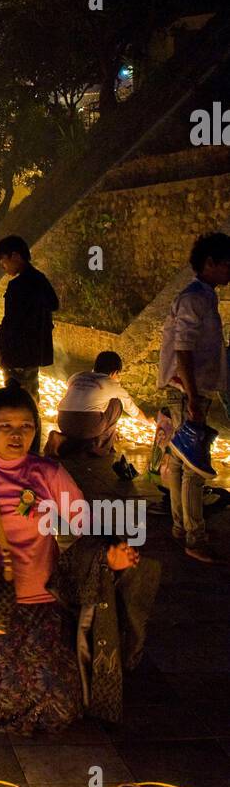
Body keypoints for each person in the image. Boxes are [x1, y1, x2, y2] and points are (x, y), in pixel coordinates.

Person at [0, 383, 141, 734]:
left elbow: (84, 520)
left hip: (41, 596)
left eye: (26, 427)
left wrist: (111, 553)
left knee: (60, 702)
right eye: (5, 427)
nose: (17, 436)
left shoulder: (47, 473)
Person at [158, 231, 230, 561]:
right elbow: (183, 350)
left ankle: (180, 526)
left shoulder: (203, 296)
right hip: (190, 391)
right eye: (227, 264)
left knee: (179, 461)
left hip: (189, 389)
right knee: (195, 467)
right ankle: (194, 537)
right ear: (210, 263)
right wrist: (191, 397)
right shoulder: (194, 299)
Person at [0, 235, 59, 451]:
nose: (4, 267)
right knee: (31, 401)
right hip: (32, 354)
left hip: (17, 353)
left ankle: (23, 449)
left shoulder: (19, 286)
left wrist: (0, 349)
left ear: (15, 255)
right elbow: (54, 304)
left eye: (4, 262)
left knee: (18, 402)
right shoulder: (39, 280)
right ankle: (31, 449)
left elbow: (10, 322)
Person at [48, 351, 147, 459]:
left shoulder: (76, 376)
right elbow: (133, 410)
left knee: (91, 415)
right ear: (114, 372)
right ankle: (102, 446)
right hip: (88, 425)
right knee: (117, 403)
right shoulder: (112, 384)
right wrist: (147, 421)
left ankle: (63, 439)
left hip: (64, 422)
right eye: (118, 374)